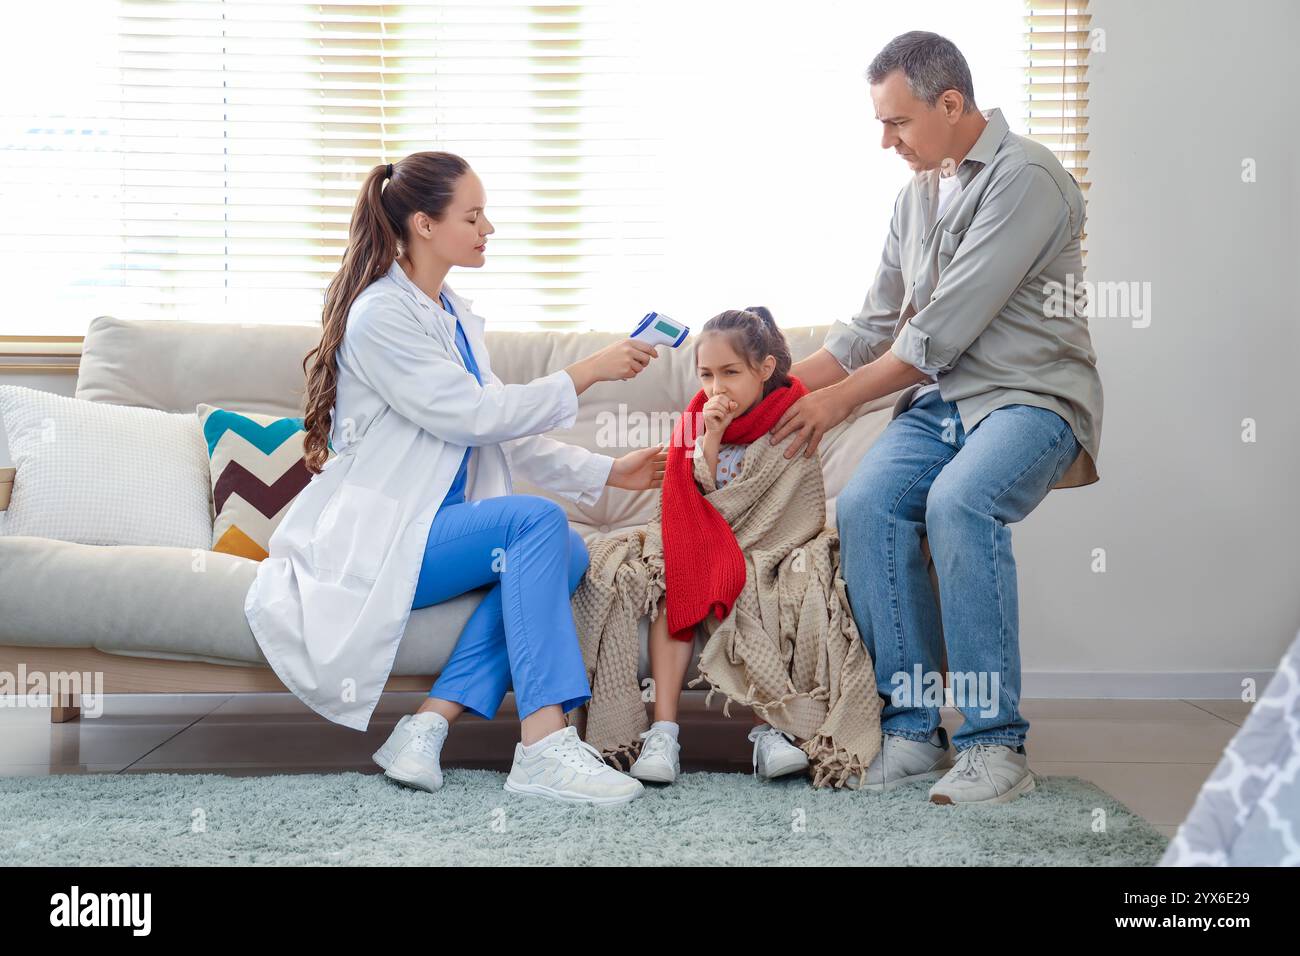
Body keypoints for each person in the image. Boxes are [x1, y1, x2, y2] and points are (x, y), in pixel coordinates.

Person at [243, 151, 668, 806]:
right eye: (472, 216)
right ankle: (544, 745)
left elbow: (505, 429)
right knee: (538, 524)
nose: (487, 229)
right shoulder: (382, 315)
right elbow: (473, 415)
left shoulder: (453, 315)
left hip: (434, 531)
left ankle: (427, 723)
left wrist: (610, 470)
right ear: (422, 224)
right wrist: (587, 371)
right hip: (388, 540)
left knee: (567, 549)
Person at [770, 32, 1103, 805]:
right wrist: (775, 391)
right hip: (943, 404)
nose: (885, 141)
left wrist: (840, 401)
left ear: (951, 105)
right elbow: (872, 326)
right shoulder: (915, 193)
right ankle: (913, 731)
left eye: (898, 123)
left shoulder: (1029, 180)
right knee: (866, 503)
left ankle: (996, 745)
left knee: (960, 502)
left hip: (1031, 397)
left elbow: (936, 334)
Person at [572, 308, 882, 789]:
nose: (718, 388)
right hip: (698, 536)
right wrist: (710, 438)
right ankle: (663, 732)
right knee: (677, 580)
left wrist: (750, 547)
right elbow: (689, 499)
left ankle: (770, 728)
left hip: (765, 544)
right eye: (707, 375)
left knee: (764, 592)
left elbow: (793, 504)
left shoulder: (790, 418)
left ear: (765, 369)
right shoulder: (695, 422)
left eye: (731, 373)